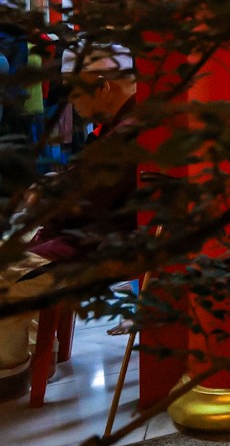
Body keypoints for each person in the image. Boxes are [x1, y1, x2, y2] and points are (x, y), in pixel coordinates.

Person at [1, 45, 137, 399]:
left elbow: (86, 203)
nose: (72, 104)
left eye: (76, 92)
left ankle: (9, 372)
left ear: (103, 86)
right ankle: (25, 351)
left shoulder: (128, 131)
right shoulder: (127, 123)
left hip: (103, 243)